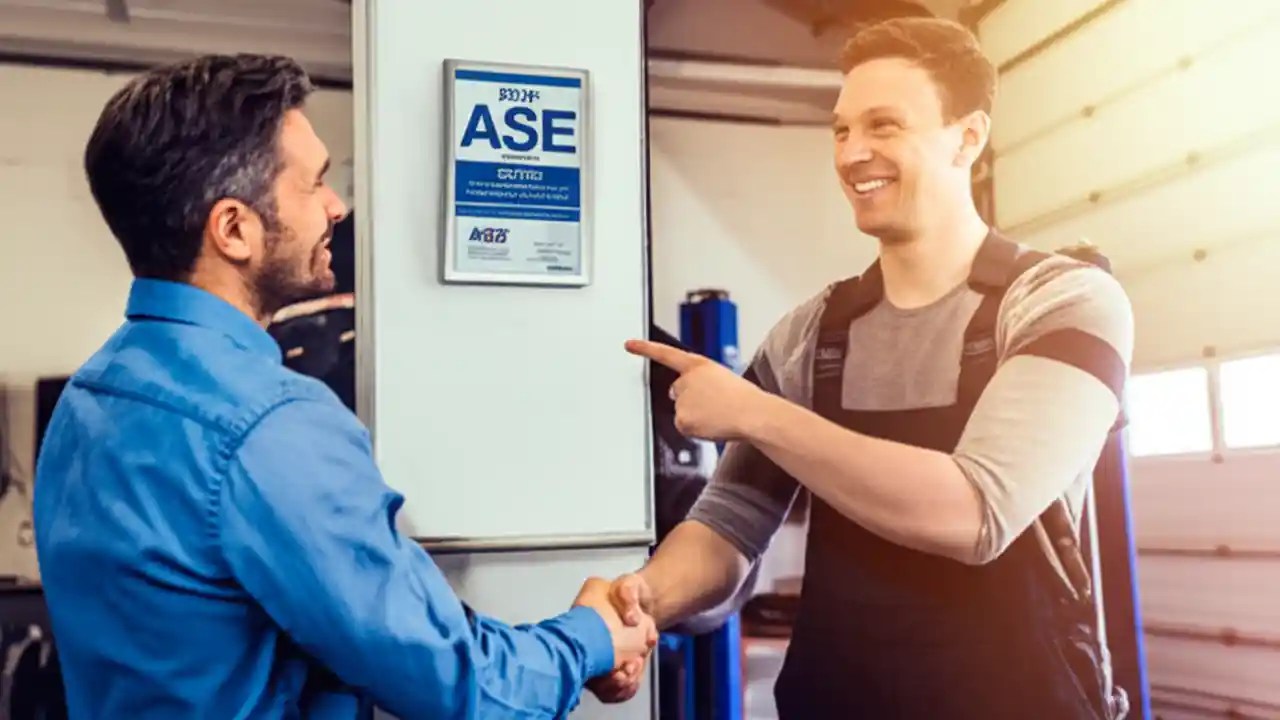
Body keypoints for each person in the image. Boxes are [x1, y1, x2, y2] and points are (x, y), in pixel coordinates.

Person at [31, 53, 656, 719]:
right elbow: (460, 685)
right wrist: (590, 635)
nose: (336, 207)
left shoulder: (90, 397)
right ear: (234, 229)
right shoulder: (268, 424)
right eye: (315, 184)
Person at [595, 17, 1134, 719]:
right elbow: (729, 528)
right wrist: (639, 606)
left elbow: (976, 511)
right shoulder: (811, 335)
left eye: (884, 126)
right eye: (841, 130)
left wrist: (753, 410)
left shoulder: (1059, 300)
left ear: (967, 138)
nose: (853, 154)